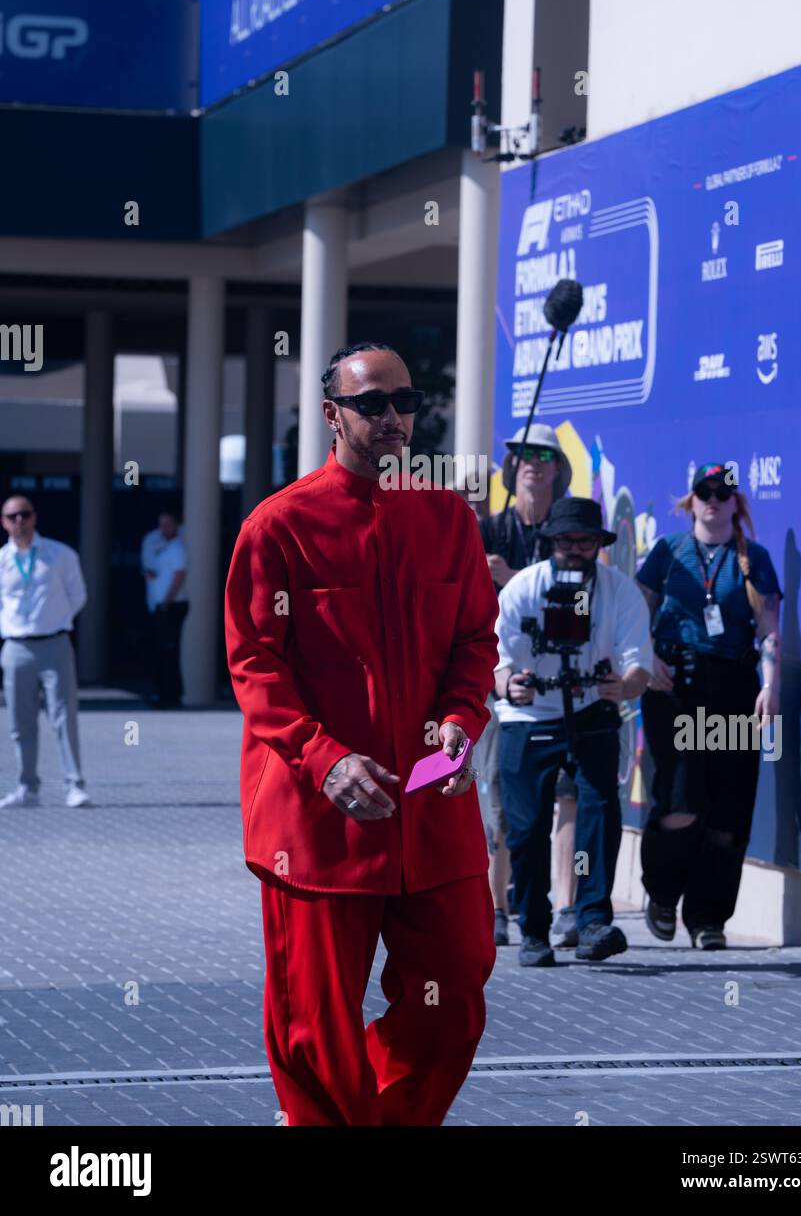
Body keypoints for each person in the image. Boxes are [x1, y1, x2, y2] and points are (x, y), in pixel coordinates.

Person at [224, 342, 499, 1127]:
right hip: (318, 821)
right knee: (313, 1024)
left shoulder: (446, 515)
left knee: (454, 996)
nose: (393, 419)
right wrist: (324, 758)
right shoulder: (277, 526)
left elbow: (476, 640)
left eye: (406, 403)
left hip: (430, 810)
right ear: (331, 414)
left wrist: (460, 720)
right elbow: (255, 667)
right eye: (372, 403)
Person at [494, 496, 653, 965]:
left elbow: (638, 666)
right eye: (566, 541)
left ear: (600, 545)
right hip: (529, 715)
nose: (576, 550)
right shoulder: (523, 588)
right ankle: (534, 930)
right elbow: (492, 658)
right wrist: (507, 684)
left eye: (586, 541)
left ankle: (592, 921)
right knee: (525, 827)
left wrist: (621, 686)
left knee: (599, 810)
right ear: (550, 543)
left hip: (591, 707)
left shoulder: (620, 592)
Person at [637, 462, 782, 950]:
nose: (714, 499)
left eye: (723, 492)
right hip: (675, 687)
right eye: (705, 491)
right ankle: (660, 892)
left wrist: (771, 685)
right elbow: (638, 613)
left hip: (735, 689)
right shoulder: (667, 552)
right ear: (691, 499)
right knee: (680, 802)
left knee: (727, 812)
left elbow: (769, 633)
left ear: (737, 502)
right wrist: (646, 656)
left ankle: (708, 918)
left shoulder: (753, 559)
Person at [477, 424, 579, 948]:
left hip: (564, 684)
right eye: (522, 455)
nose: (534, 463)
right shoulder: (486, 529)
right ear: (510, 468)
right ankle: (497, 906)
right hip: (499, 683)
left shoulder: (569, 531)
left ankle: (565, 910)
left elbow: (576, 601)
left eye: (545, 455)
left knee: (566, 794)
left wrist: (512, 574)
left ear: (559, 469)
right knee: (500, 797)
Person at [0, 495, 89, 809]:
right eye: (12, 516)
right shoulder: (1, 560)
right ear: (4, 522)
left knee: (64, 717)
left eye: (24, 514)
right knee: (19, 722)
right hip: (15, 647)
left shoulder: (59, 555)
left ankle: (74, 785)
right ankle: (27, 787)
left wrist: (55, 620)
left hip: (54, 644)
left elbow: (77, 595)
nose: (19, 521)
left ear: (34, 517)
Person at [140, 511, 188, 707]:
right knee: (161, 651)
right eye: (161, 524)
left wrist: (167, 601)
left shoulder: (178, 547)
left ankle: (170, 695)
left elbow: (179, 575)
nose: (164, 528)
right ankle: (163, 692)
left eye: (168, 523)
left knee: (169, 651)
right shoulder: (164, 547)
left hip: (172, 605)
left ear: (176, 525)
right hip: (162, 605)